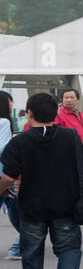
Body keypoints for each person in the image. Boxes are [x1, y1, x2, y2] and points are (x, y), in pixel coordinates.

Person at [0, 92, 83, 269]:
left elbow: (9, 177)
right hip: (66, 205)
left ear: (28, 114)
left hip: (32, 207)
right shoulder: (71, 137)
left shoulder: (19, 141)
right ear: (55, 113)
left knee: (31, 256)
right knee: (69, 248)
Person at [1, 92, 21, 260]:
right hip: (4, 174)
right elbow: (3, 147)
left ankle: (23, 243)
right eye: (10, 101)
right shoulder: (4, 122)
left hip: (5, 174)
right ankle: (21, 244)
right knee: (16, 206)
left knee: (15, 206)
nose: (12, 104)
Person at [51, 88, 83, 159]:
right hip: (68, 152)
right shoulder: (58, 114)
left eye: (71, 97)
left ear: (77, 100)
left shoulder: (80, 113)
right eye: (66, 98)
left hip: (82, 151)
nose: (69, 100)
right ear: (62, 100)